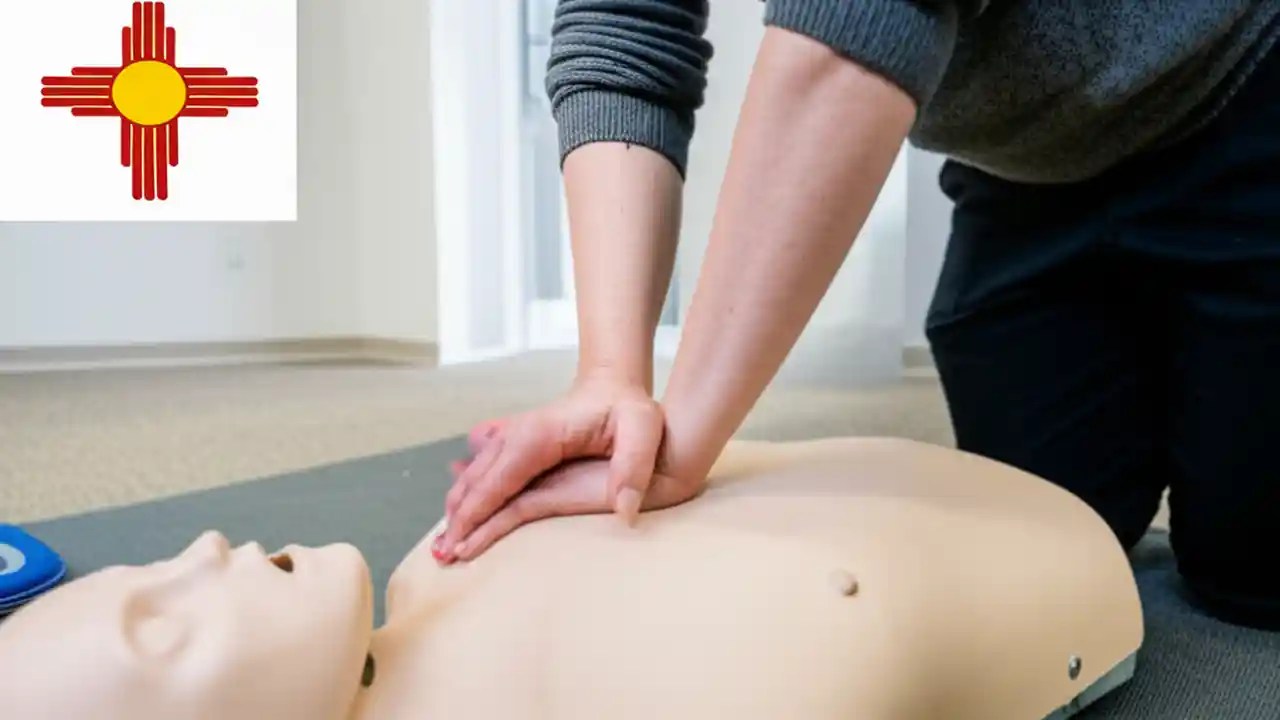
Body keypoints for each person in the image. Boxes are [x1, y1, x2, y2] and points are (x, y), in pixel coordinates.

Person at [435, 0, 1280, 630]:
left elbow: (861, 20)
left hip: (1241, 89)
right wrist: (610, 379)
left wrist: (683, 435)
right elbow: (627, 26)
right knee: (1052, 533)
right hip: (1024, 170)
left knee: (1250, 575)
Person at [0, 438, 1143, 719]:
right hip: (1048, 559)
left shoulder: (436, 563)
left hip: (990, 506)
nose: (199, 551)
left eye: (152, 567)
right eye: (165, 624)